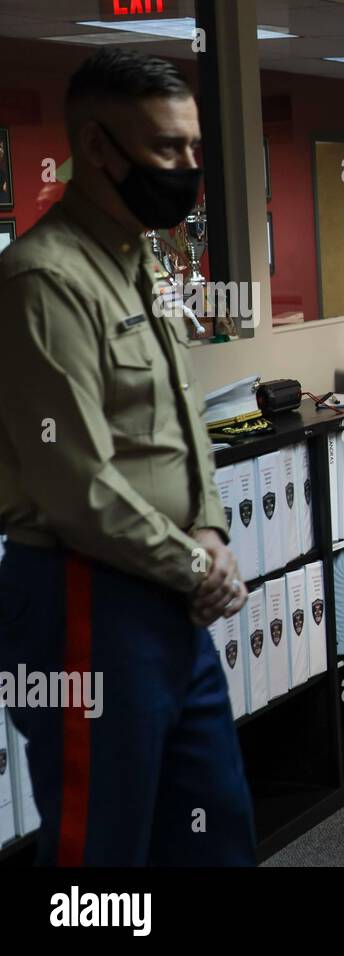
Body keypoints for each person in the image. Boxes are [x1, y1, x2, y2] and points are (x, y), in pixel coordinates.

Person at [0, 49, 253, 865]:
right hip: (86, 599)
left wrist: (210, 529)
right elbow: (75, 481)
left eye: (192, 148)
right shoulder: (43, 278)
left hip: (172, 596)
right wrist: (195, 564)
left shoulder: (136, 258)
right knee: (99, 849)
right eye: (167, 149)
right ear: (100, 149)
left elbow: (181, 421)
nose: (187, 169)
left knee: (214, 829)